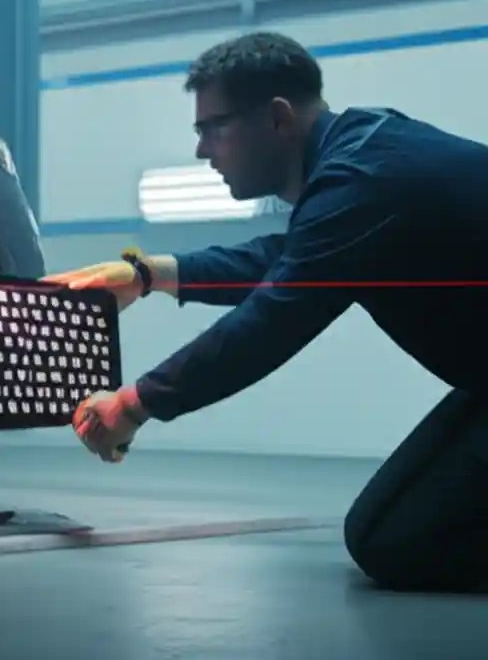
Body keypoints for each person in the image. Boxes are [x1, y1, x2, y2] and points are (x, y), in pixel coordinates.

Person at [43, 31, 488, 593]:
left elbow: (271, 321)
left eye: (213, 128)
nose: (204, 150)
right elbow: (291, 258)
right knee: (383, 529)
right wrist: (146, 274)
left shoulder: (364, 179)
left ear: (276, 118)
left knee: (394, 541)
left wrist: (134, 404)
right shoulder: (362, 155)